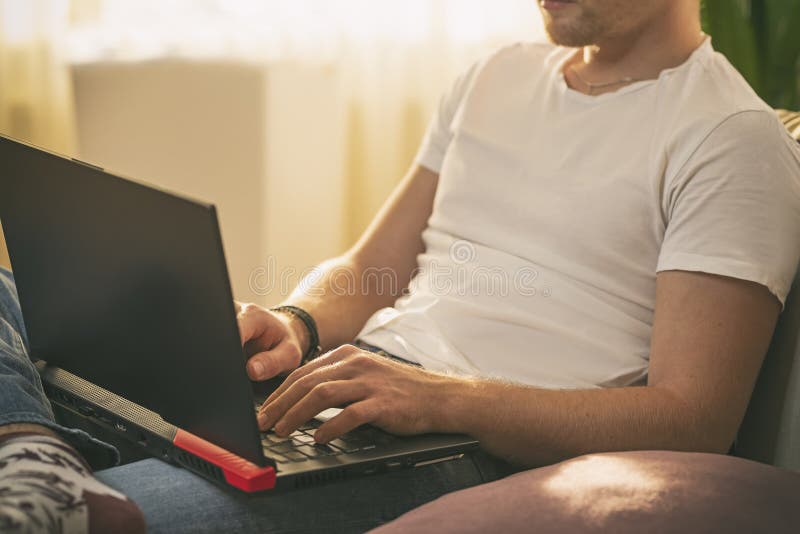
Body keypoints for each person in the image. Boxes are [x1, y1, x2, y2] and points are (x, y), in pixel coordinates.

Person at [2, 0, 800, 532]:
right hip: (349, 391)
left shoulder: (729, 137)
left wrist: (444, 399)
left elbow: (695, 420)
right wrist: (295, 323)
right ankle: (35, 445)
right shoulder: (494, 76)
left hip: (450, 446)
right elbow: (369, 269)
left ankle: (46, 468)